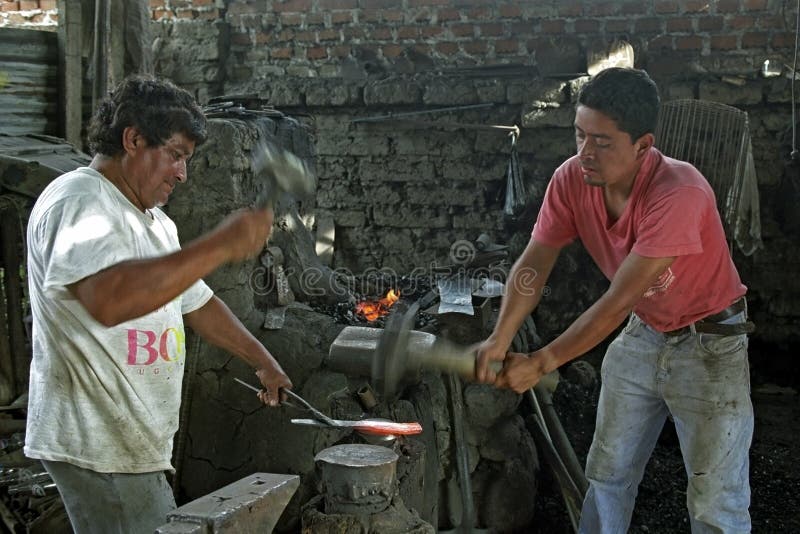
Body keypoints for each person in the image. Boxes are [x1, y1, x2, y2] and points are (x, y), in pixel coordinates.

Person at [476, 67, 754, 533]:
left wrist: (542, 362)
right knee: (606, 475)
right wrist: (499, 338)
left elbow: (617, 301)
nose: (585, 153)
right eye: (579, 135)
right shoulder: (571, 180)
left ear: (643, 146)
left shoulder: (678, 193)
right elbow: (533, 263)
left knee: (714, 498)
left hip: (710, 345)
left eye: (602, 143)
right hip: (646, 333)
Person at [24, 75, 293, 533]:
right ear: (132, 139)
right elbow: (107, 301)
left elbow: (197, 301)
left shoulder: (155, 223)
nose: (182, 174)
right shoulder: (80, 201)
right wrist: (219, 245)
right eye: (175, 155)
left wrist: (263, 361)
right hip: (98, 442)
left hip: (132, 444)